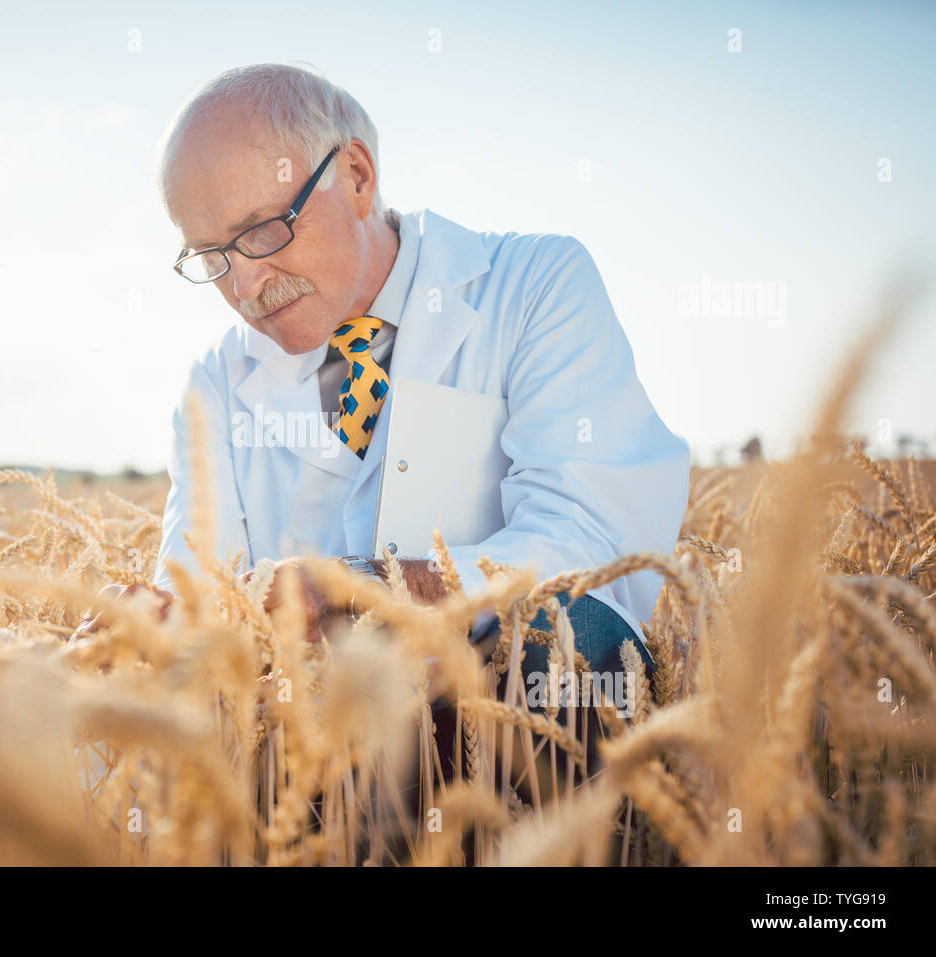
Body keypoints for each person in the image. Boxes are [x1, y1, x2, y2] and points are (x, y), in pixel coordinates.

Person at [93, 63, 690, 840]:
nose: (245, 284)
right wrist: (150, 630)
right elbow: (204, 588)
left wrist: (362, 590)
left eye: (261, 231)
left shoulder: (535, 285)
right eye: (212, 257)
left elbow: (590, 543)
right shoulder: (214, 381)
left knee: (576, 642)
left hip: (511, 732)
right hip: (312, 756)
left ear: (356, 176)